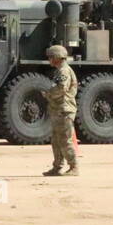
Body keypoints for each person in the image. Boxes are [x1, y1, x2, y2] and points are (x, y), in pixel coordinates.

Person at [43, 45, 79, 176]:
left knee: (65, 139)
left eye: (51, 57)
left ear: (57, 57)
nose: (49, 60)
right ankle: (57, 166)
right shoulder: (60, 70)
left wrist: (48, 94)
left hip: (64, 109)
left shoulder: (63, 71)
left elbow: (61, 88)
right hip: (58, 109)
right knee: (56, 140)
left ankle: (74, 166)